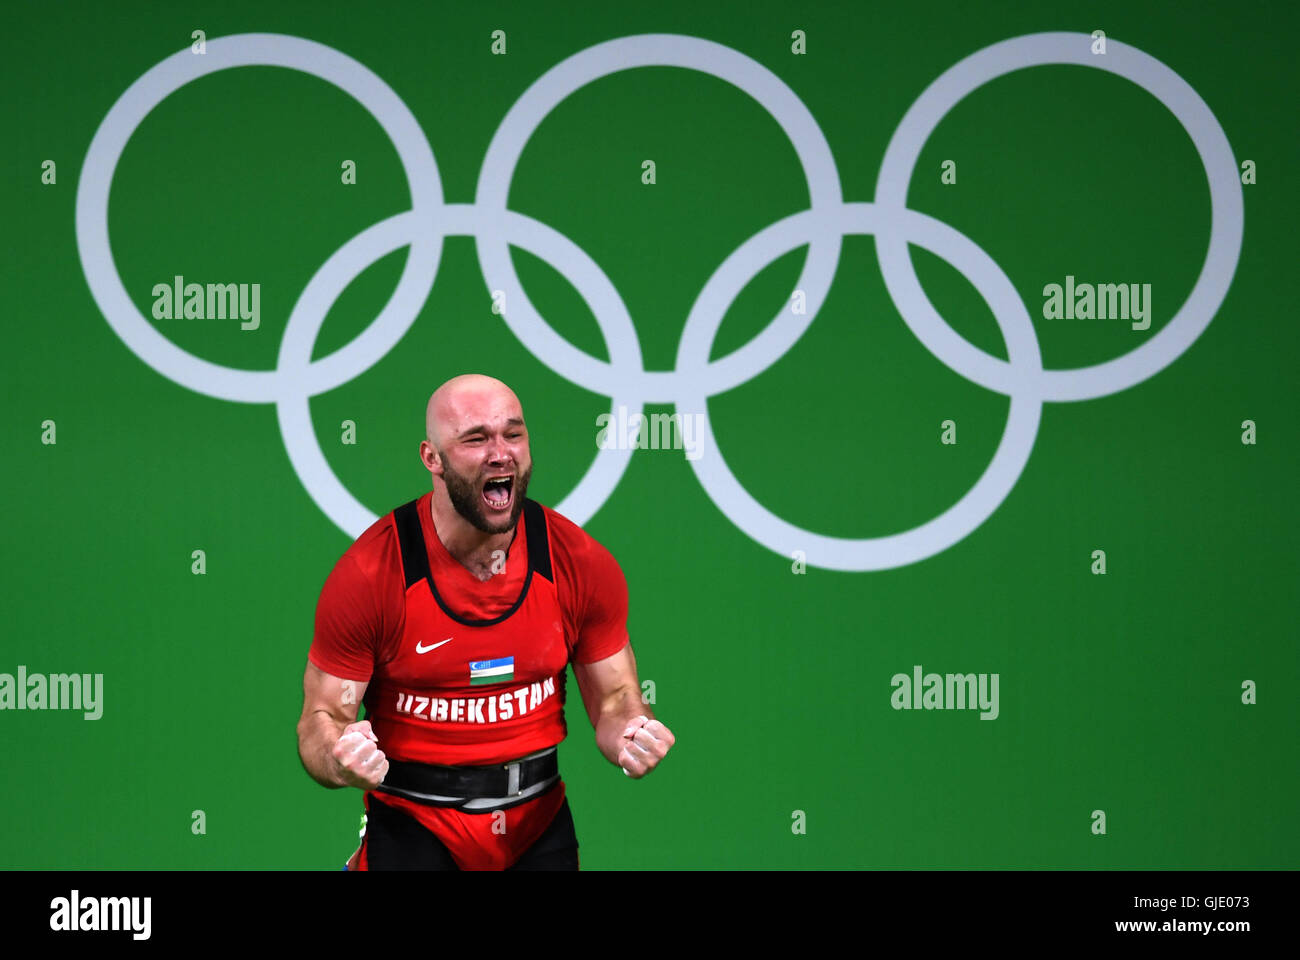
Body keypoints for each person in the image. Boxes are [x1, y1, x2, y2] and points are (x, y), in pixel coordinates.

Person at [296, 374, 674, 870]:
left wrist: (631, 731)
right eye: (476, 438)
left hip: (537, 825)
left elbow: (616, 699)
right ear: (432, 458)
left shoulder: (577, 562)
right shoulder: (372, 575)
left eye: (513, 434)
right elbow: (320, 722)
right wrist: (341, 759)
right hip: (415, 824)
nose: (501, 453)